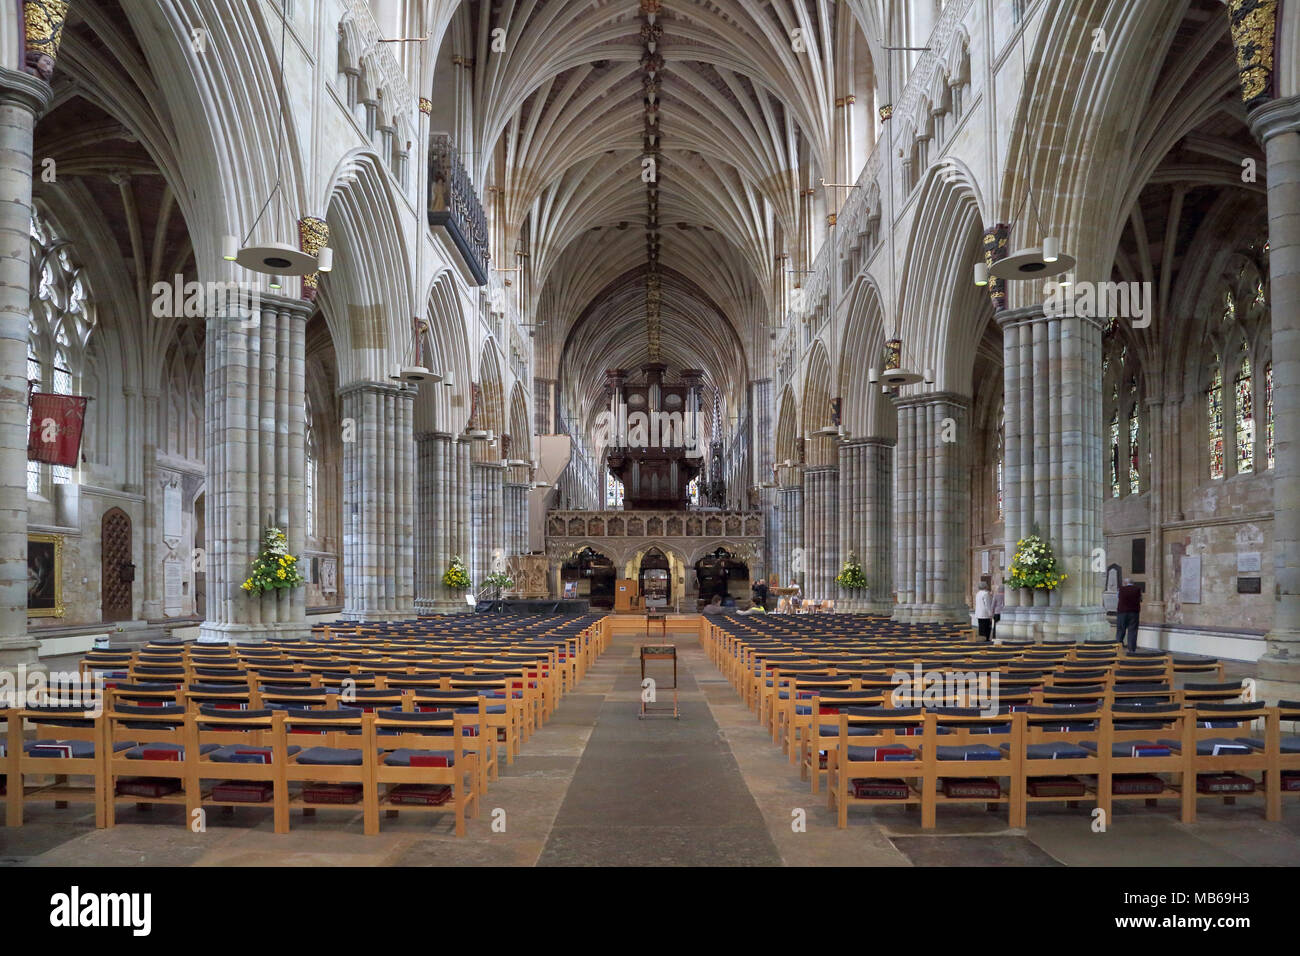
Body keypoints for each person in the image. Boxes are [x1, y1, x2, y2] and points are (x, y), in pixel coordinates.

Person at [1116, 577, 1142, 652]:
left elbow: (1118, 597)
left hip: (1122, 612)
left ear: (1125, 583)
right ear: (1132, 583)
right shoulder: (1138, 589)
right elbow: (1140, 599)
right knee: (1132, 631)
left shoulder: (1121, 589)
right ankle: (1131, 651)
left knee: (1120, 630)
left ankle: (1118, 650)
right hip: (1134, 613)